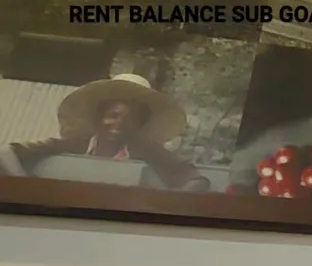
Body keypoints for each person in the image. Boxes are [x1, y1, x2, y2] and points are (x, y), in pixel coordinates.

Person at [0, 73, 209, 192]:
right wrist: (26, 187)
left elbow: (197, 181)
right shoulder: (74, 143)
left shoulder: (147, 151)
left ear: (139, 125)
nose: (119, 124)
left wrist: (165, 206)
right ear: (99, 117)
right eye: (112, 115)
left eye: (131, 119)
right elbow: (6, 153)